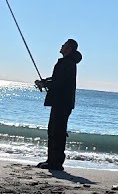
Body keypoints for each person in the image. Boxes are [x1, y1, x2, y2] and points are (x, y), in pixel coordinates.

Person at [33, 38, 82, 169]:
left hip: (62, 102)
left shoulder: (67, 63)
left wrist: (45, 84)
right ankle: (52, 160)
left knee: (57, 132)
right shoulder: (68, 62)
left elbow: (59, 83)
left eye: (64, 44)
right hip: (62, 102)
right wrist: (45, 82)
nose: (61, 45)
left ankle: (56, 162)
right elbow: (56, 80)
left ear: (69, 48)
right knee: (54, 131)